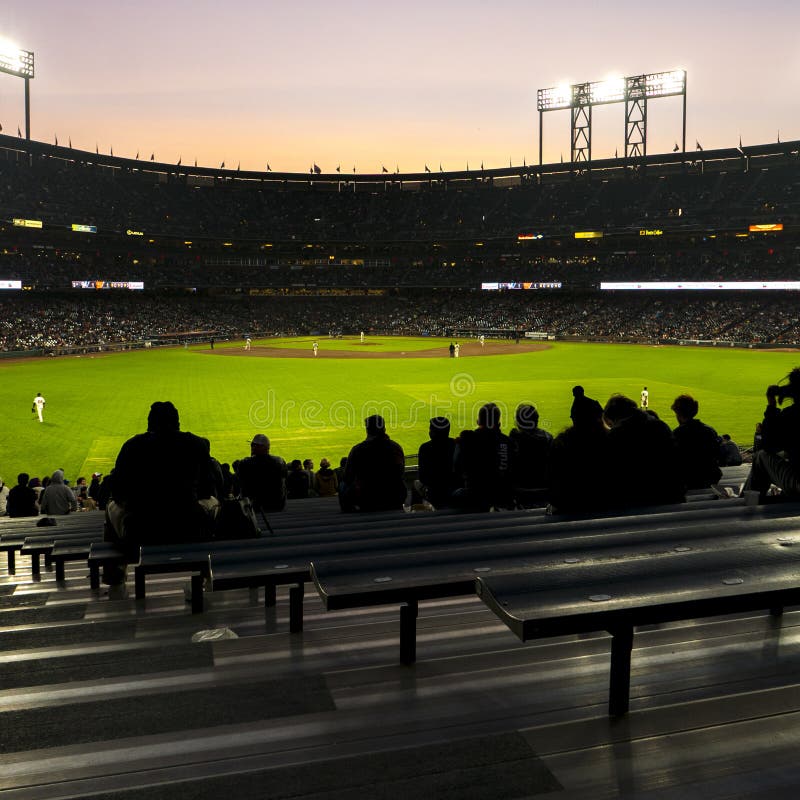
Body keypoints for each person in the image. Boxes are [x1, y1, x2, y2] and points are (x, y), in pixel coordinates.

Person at [104, 401, 219, 583]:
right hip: (189, 525)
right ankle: (208, 571)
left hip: (141, 528)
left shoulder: (132, 445)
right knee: (215, 502)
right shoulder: (196, 444)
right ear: (177, 421)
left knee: (110, 506)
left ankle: (115, 570)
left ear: (150, 422)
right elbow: (209, 488)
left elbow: (117, 490)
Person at [604, 394, 684, 508]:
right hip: (672, 496)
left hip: (638, 501)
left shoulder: (617, 434)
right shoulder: (661, 426)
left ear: (614, 417)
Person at [547, 388, 610, 514]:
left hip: (570, 508)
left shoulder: (563, 444)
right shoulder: (610, 441)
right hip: (605, 506)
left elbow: (555, 489)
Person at [743, 368, 800, 499]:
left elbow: (769, 446)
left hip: (797, 486)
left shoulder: (790, 414)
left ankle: (748, 500)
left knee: (761, 457)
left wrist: (771, 406)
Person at [452, 402, 513, 511]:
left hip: (474, 497)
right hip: (502, 495)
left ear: (478, 421)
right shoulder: (507, 442)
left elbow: (456, 468)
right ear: (498, 423)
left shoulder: (467, 439)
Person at [339, 415, 407, 512]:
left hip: (367, 498)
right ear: (384, 428)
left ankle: (348, 513)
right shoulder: (396, 447)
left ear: (367, 430)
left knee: (342, 485)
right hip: (394, 496)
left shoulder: (358, 449)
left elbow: (347, 477)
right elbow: (400, 473)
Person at [670, 394, 723, 490]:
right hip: (710, 479)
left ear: (679, 414)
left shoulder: (677, 434)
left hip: (689, 482)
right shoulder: (709, 431)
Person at [509, 404, 553, 502]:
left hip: (520, 493)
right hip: (545, 492)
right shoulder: (548, 438)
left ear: (518, 422)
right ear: (536, 420)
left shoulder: (514, 439)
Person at [235, 433, 287, 512]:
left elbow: (240, 482)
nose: (251, 447)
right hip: (277, 504)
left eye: (253, 445)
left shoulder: (245, 463)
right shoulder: (280, 461)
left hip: (254, 506)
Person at [414, 416, 458, 508]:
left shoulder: (425, 448)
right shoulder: (455, 444)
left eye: (430, 429)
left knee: (415, 484)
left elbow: (423, 478)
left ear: (433, 433)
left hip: (434, 492)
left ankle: (416, 515)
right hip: (453, 489)